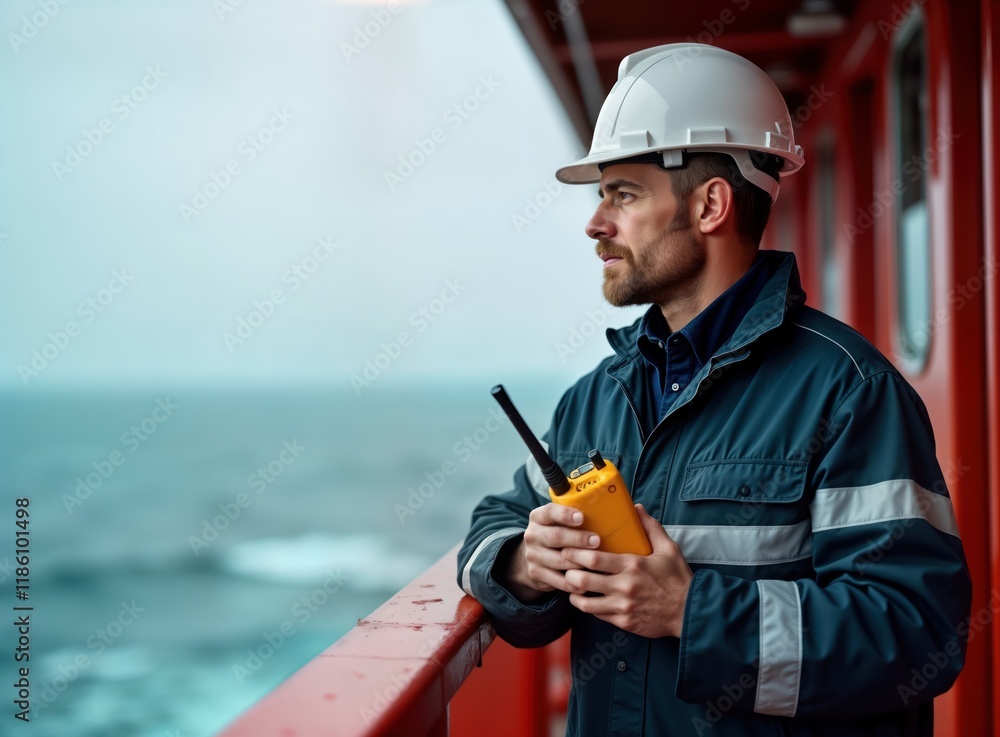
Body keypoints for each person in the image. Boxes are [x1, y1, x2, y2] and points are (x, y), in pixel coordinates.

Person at [457, 43, 971, 736]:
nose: (595, 222)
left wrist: (690, 611)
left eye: (624, 194)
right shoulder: (596, 397)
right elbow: (493, 524)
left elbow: (917, 632)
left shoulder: (849, 394)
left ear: (710, 204)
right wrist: (526, 560)